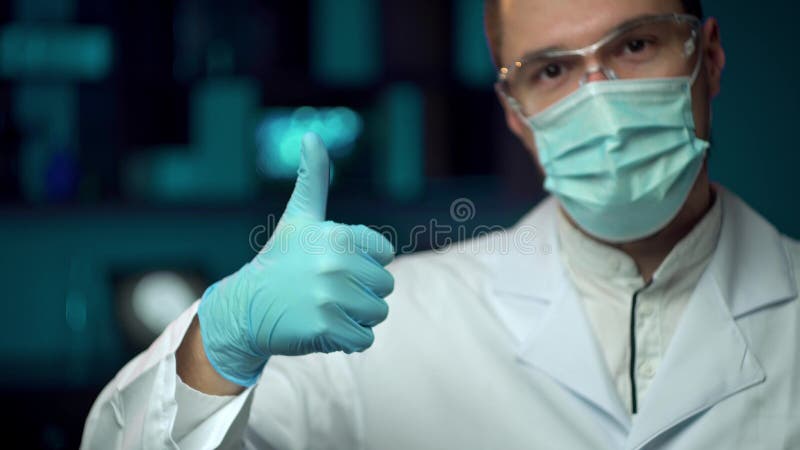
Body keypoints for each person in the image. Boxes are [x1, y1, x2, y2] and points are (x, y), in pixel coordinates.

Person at [82, 0, 800, 448]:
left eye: (635, 46)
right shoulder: (381, 324)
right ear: (516, 113)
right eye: (551, 70)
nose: (600, 100)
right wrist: (217, 346)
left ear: (706, 60)